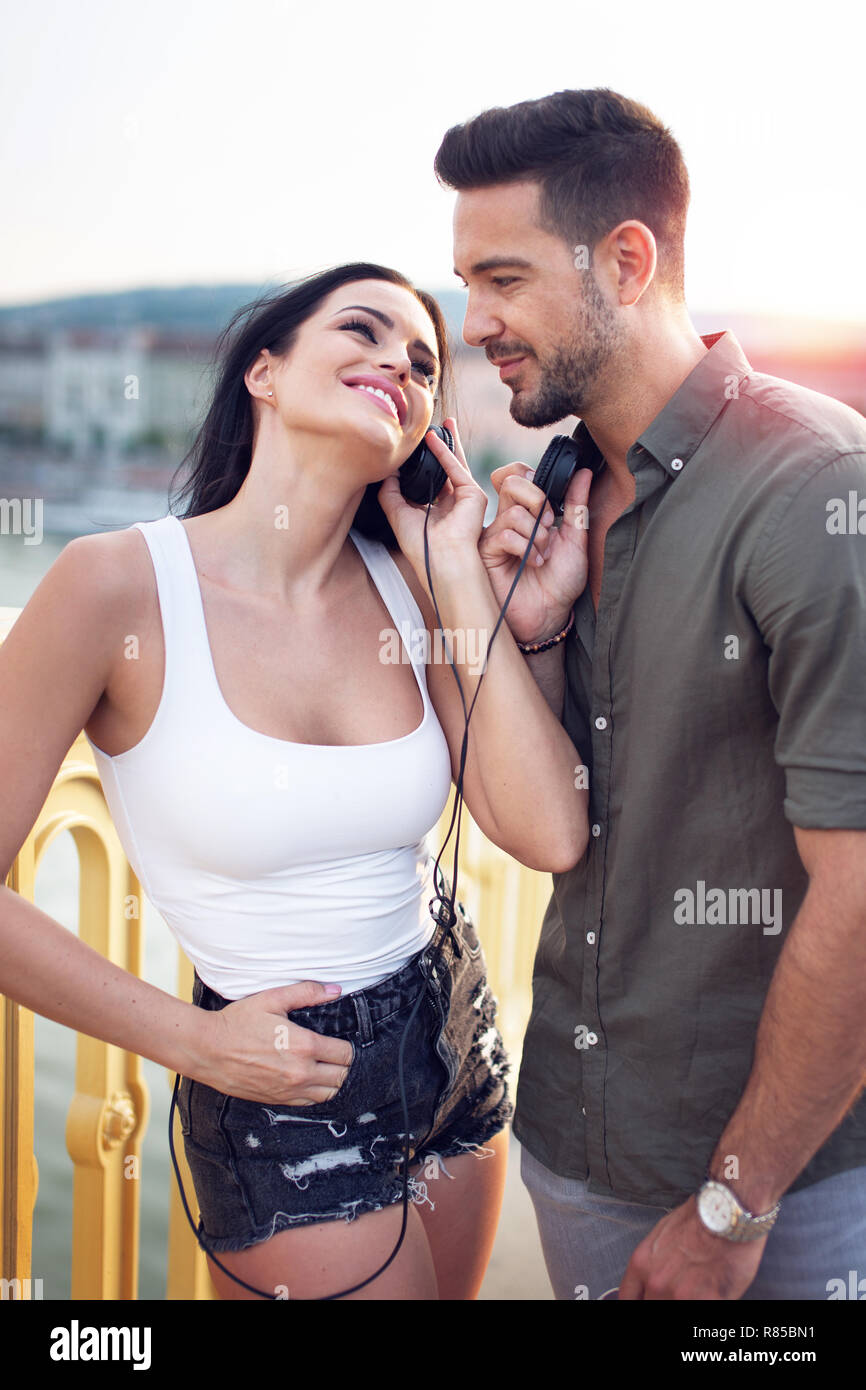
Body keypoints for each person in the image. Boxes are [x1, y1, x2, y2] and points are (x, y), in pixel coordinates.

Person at [0, 262, 588, 1301]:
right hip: (278, 1083)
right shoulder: (114, 583)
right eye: (360, 331)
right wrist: (193, 1043)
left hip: (451, 1026)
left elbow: (543, 832)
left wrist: (452, 565)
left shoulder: (413, 586)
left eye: (421, 363)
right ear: (262, 373)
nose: (396, 365)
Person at [433, 89, 866, 1300]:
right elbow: (561, 826)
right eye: (466, 283)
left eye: (503, 280)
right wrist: (529, 639)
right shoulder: (563, 499)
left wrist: (731, 1206)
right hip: (572, 1151)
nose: (474, 323)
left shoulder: (815, 492)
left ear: (625, 261)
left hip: (780, 1196)